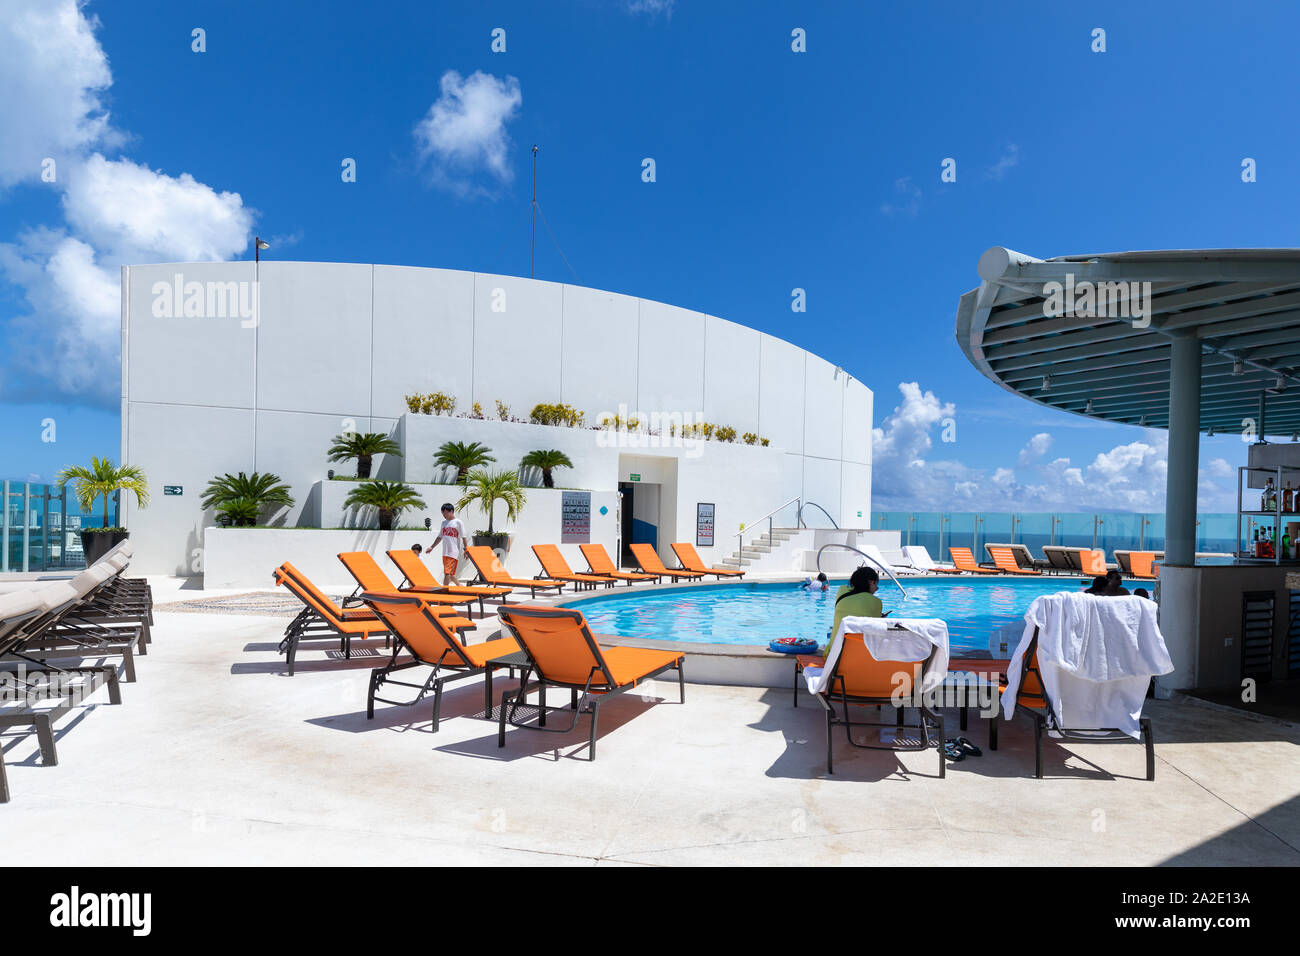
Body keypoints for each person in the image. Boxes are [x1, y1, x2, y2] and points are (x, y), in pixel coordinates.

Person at [825, 566, 883, 652]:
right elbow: (875, 628)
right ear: (871, 582)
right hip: (856, 654)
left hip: (832, 653)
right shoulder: (876, 602)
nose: (876, 589)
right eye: (876, 585)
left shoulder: (841, 591)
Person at [429, 503, 466, 586]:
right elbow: (440, 537)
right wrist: (432, 547)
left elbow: (464, 537)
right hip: (445, 552)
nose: (444, 515)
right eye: (443, 513)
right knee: (450, 573)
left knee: (447, 573)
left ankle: (444, 589)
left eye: (445, 513)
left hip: (453, 552)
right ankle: (459, 586)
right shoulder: (444, 523)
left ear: (451, 511)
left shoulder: (458, 522)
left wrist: (466, 550)